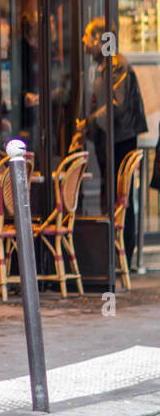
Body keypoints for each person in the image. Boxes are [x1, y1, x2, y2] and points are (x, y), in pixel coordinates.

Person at [75, 18, 147, 259]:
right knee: (113, 194)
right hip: (110, 140)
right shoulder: (103, 66)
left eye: (88, 37)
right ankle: (116, 253)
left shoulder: (117, 65)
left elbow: (118, 105)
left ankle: (122, 252)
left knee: (119, 196)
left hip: (120, 140)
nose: (84, 42)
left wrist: (90, 120)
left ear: (99, 39)